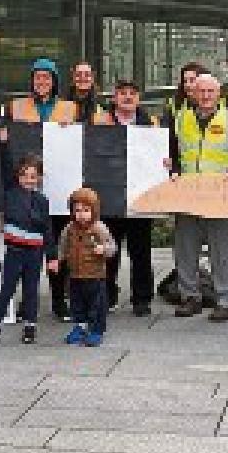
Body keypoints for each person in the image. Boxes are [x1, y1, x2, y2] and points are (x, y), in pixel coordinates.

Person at [169, 73, 228, 321]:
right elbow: (171, 152)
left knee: (222, 249)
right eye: (201, 91)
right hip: (188, 193)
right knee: (185, 248)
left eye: (210, 92)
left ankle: (226, 300)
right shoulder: (180, 118)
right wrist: (172, 169)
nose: (205, 96)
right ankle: (189, 297)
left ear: (219, 94)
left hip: (219, 195)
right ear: (192, 94)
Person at [3, 57, 78, 320]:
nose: (42, 82)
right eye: (37, 77)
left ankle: (60, 301)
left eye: (47, 77)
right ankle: (27, 303)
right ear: (32, 80)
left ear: (54, 81)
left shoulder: (70, 108)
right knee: (25, 247)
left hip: (58, 189)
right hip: (28, 189)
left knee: (56, 247)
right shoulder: (16, 106)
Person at [95, 79, 160, 316]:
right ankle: (108, 295)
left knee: (140, 251)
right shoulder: (100, 122)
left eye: (132, 93)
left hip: (139, 196)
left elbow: (158, 156)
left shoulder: (151, 124)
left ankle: (142, 299)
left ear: (138, 98)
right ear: (114, 98)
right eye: (122, 93)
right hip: (110, 195)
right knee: (109, 250)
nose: (127, 97)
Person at [0, 153, 54, 344]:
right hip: (14, 253)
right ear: (17, 176)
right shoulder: (11, 192)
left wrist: (52, 257)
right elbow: (6, 165)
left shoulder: (42, 200)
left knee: (31, 291)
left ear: (39, 178)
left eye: (33, 176)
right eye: (24, 175)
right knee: (7, 289)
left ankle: (30, 327)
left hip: (35, 253)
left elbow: (47, 229)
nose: (28, 180)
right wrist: (4, 145)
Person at [58, 188, 117, 347]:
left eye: (86, 210)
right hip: (75, 275)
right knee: (76, 303)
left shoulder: (99, 228)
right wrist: (58, 259)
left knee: (97, 305)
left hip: (95, 276)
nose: (81, 214)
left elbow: (112, 247)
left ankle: (96, 330)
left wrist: (103, 250)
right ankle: (80, 327)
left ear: (94, 210)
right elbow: (63, 246)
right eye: (77, 210)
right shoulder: (69, 229)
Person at [163, 62, 209, 128]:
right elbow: (167, 133)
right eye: (185, 81)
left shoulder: (219, 104)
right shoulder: (175, 104)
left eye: (192, 80)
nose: (187, 85)